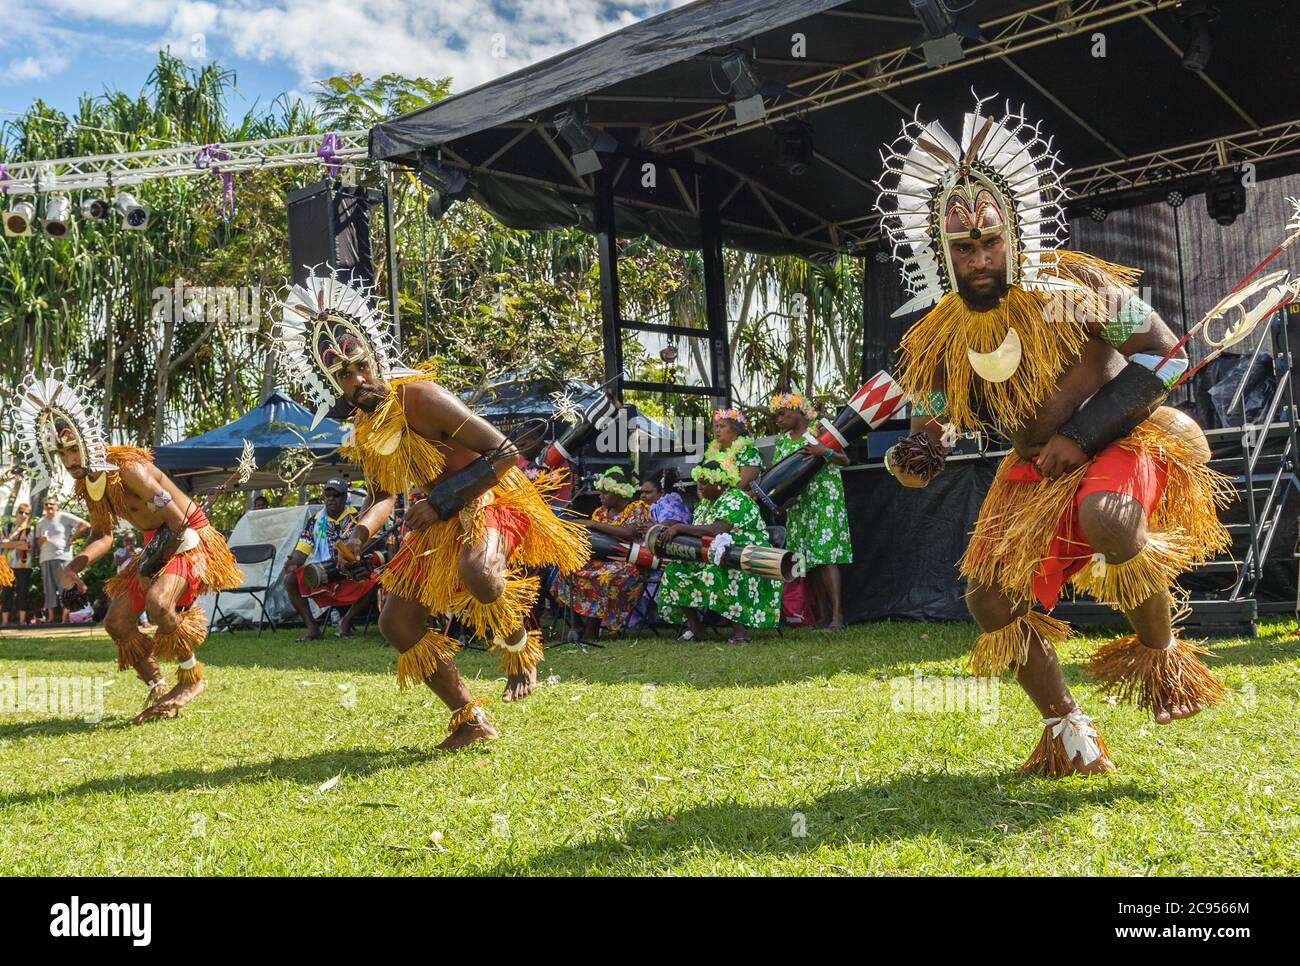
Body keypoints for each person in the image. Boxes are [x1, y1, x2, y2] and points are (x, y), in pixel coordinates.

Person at [875, 95, 1231, 775]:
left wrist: (1086, 430)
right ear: (942, 254)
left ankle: (1162, 661)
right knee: (987, 598)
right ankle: (1070, 736)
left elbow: (1167, 357)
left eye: (989, 241)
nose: (980, 258)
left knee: (1107, 515)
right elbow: (932, 417)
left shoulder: (1071, 286)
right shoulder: (939, 333)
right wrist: (920, 453)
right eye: (964, 248)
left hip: (1121, 438)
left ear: (1014, 232)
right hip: (1036, 465)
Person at [272, 271, 588, 748]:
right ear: (332, 385)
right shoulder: (366, 431)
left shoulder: (419, 396)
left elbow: (504, 452)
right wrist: (357, 535)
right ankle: (470, 717)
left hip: (494, 496)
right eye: (344, 375)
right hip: (441, 515)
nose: (357, 380)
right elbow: (382, 497)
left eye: (360, 366)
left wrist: (440, 502)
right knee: (395, 623)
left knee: (479, 572)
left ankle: (520, 647)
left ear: (374, 356)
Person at [10, 373, 244, 722]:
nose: (71, 460)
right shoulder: (90, 485)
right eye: (63, 454)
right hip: (157, 544)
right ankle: (158, 686)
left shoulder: (129, 467)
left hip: (187, 535)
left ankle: (191, 679)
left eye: (75, 449)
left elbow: (177, 520)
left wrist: (152, 572)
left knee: (158, 602)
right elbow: (103, 535)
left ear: (89, 442)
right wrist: (73, 568)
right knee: (117, 621)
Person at [657, 458, 782, 643]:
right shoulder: (705, 505)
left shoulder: (736, 499)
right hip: (713, 556)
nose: (700, 487)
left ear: (719, 483)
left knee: (716, 570)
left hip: (746, 559)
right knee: (674, 571)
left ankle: (740, 632)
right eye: (698, 481)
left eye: (704, 482)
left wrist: (680, 528)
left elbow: (717, 530)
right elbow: (698, 534)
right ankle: (697, 629)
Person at [769, 391, 852, 629]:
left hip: (825, 500)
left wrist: (823, 452)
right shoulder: (783, 442)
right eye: (776, 416)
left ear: (798, 411)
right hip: (799, 505)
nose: (779, 419)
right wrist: (784, 502)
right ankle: (822, 615)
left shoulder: (821, 430)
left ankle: (838, 616)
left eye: (782, 413)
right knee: (808, 561)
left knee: (826, 557)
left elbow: (845, 460)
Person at [552, 467, 651, 639]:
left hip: (629, 563)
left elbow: (628, 533)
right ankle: (577, 627)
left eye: (605, 492)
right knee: (566, 570)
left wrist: (592, 524)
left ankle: (592, 628)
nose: (600, 496)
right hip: (600, 560)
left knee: (604, 576)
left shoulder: (637, 508)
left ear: (618, 493)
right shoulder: (600, 512)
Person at [282, 479, 376, 640]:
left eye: (336, 495)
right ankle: (312, 628)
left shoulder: (358, 516)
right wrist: (294, 561)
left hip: (352, 571)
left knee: (375, 579)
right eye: (328, 495)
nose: (331, 498)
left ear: (345, 496)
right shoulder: (315, 521)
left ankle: (345, 622)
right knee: (290, 579)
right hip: (326, 571)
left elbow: (373, 542)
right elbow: (302, 549)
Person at [628, 468, 691, 631]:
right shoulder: (654, 505)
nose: (643, 496)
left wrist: (653, 528)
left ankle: (686, 623)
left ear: (661, 491)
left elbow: (670, 525)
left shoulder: (670, 502)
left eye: (648, 492)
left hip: (675, 557)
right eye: (641, 492)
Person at [33, 497, 90, 624]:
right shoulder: (41, 522)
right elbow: (37, 543)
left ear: (56, 506)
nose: (49, 506)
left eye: (51, 504)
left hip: (62, 557)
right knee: (49, 589)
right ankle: (51, 618)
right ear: (44, 507)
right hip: (45, 558)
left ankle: (66, 618)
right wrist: (41, 539)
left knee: (66, 587)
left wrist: (72, 538)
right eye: (46, 504)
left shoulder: (64, 516)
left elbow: (85, 524)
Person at [704, 408, 762, 493]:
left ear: (735, 430)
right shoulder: (713, 451)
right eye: (717, 426)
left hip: (734, 501)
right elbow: (701, 484)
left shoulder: (750, 452)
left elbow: (741, 486)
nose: (717, 430)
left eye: (722, 426)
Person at [1, 503, 34, 626]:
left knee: (22, 592)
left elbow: (28, 546)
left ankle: (22, 621)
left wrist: (11, 542)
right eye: (21, 512)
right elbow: (2, 544)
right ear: (16, 513)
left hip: (24, 566)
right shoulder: (7, 527)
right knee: (6, 593)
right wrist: (19, 543)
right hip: (7, 566)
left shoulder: (30, 529)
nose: (24, 515)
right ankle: (4, 622)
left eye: (27, 513)